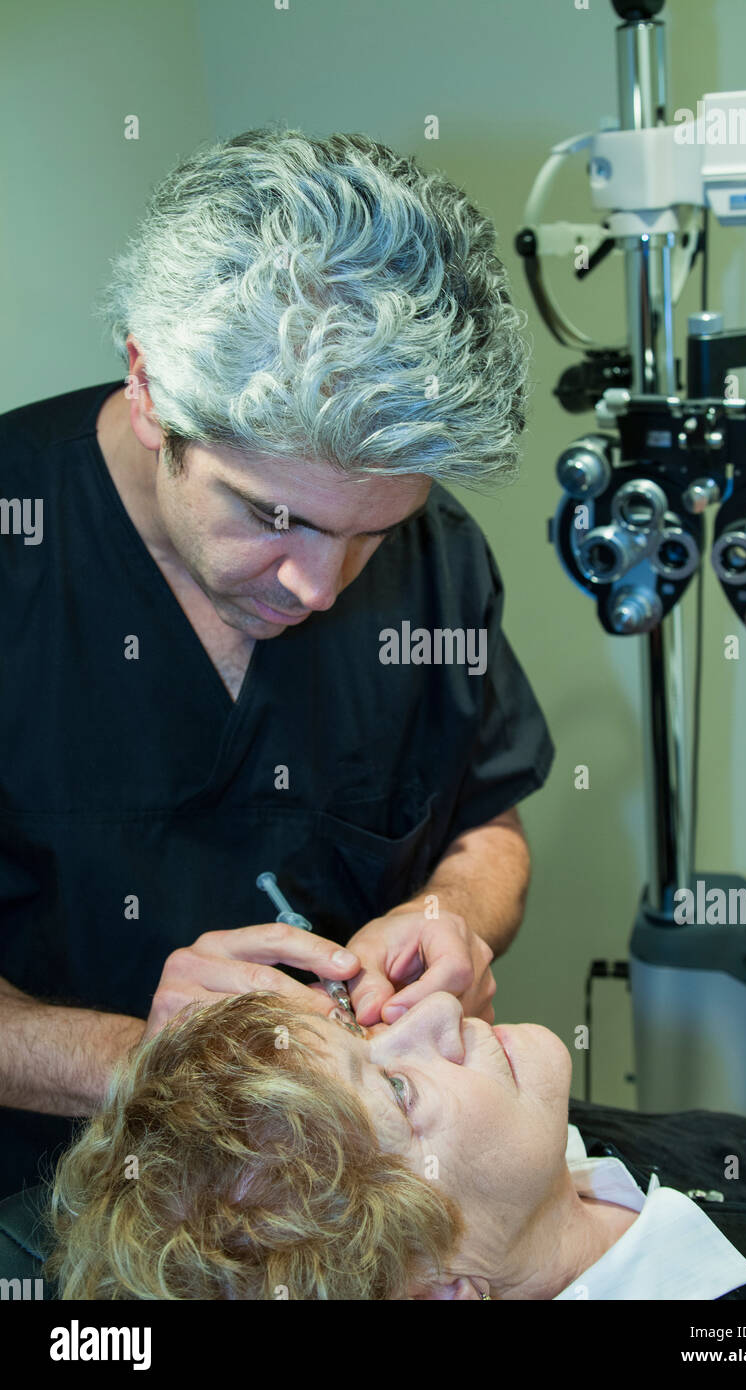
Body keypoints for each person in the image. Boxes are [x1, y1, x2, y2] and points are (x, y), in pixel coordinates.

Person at [0, 126, 554, 1197]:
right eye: (273, 515)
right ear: (151, 386)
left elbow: (488, 820)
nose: (319, 587)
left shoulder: (435, 562)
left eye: (371, 533)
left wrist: (448, 917)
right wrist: (134, 1061)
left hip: (330, 1198)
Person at [31, 989, 746, 1300]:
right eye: (399, 1089)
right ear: (437, 1291)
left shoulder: (545, 1156)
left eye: (357, 1027)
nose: (426, 1010)